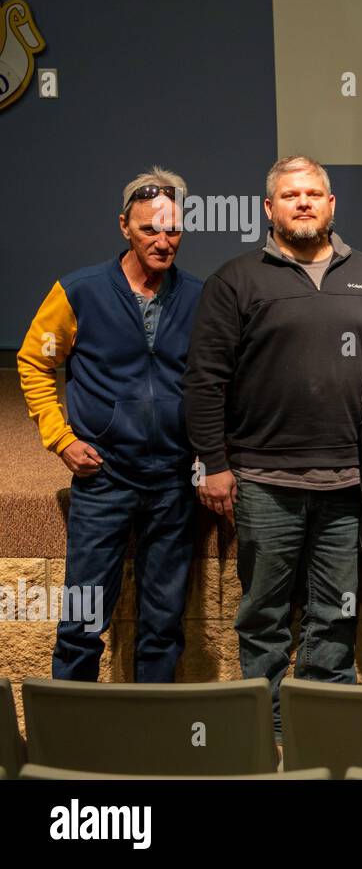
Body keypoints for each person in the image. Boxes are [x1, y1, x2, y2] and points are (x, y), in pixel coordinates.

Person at [183, 155, 362, 735]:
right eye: (290, 195)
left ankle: (325, 722)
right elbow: (205, 379)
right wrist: (216, 464)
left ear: (331, 205)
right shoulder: (236, 280)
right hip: (262, 480)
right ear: (269, 208)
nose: (302, 203)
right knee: (264, 615)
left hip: (348, 482)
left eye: (313, 194)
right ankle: (272, 727)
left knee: (336, 613)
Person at [17, 168, 203, 681]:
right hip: (104, 477)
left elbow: (213, 385)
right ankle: (70, 738)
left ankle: (153, 738)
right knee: (81, 621)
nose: (163, 241)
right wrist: (61, 439)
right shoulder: (80, 291)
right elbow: (34, 361)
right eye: (149, 229)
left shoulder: (197, 297)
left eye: (172, 229)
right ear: (125, 226)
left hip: (173, 480)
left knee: (164, 624)